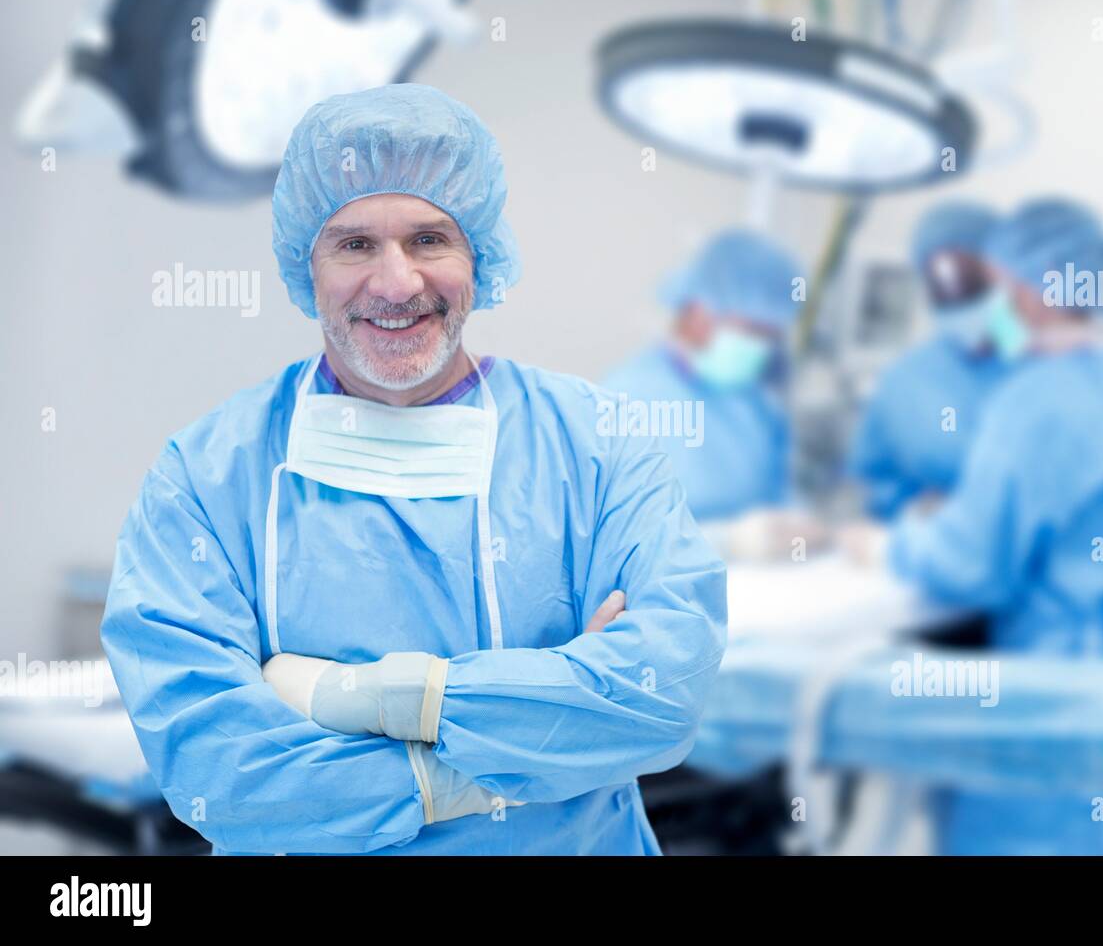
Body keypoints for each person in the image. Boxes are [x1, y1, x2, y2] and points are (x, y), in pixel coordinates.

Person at [99, 84, 727, 856]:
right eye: (355, 244)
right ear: (309, 264)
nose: (396, 284)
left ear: (480, 255)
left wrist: (352, 697)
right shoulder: (203, 481)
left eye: (429, 239)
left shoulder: (600, 448)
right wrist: (541, 735)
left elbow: (664, 693)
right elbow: (222, 775)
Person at [887, 198, 1103, 855]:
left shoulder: (1037, 402)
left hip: (1073, 714)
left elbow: (972, 565)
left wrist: (894, 538)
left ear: (1033, 294)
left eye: (1000, 288)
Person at [602, 229, 803, 522]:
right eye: (753, 331)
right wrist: (725, 542)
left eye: (770, 336)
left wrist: (800, 529)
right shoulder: (627, 398)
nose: (761, 348)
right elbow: (615, 534)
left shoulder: (756, 406)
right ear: (699, 314)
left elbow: (780, 497)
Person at [850, 201, 1008, 520]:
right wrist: (912, 509)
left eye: (969, 282)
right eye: (942, 287)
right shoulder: (905, 381)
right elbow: (872, 483)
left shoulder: (1042, 372)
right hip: (923, 557)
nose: (959, 300)